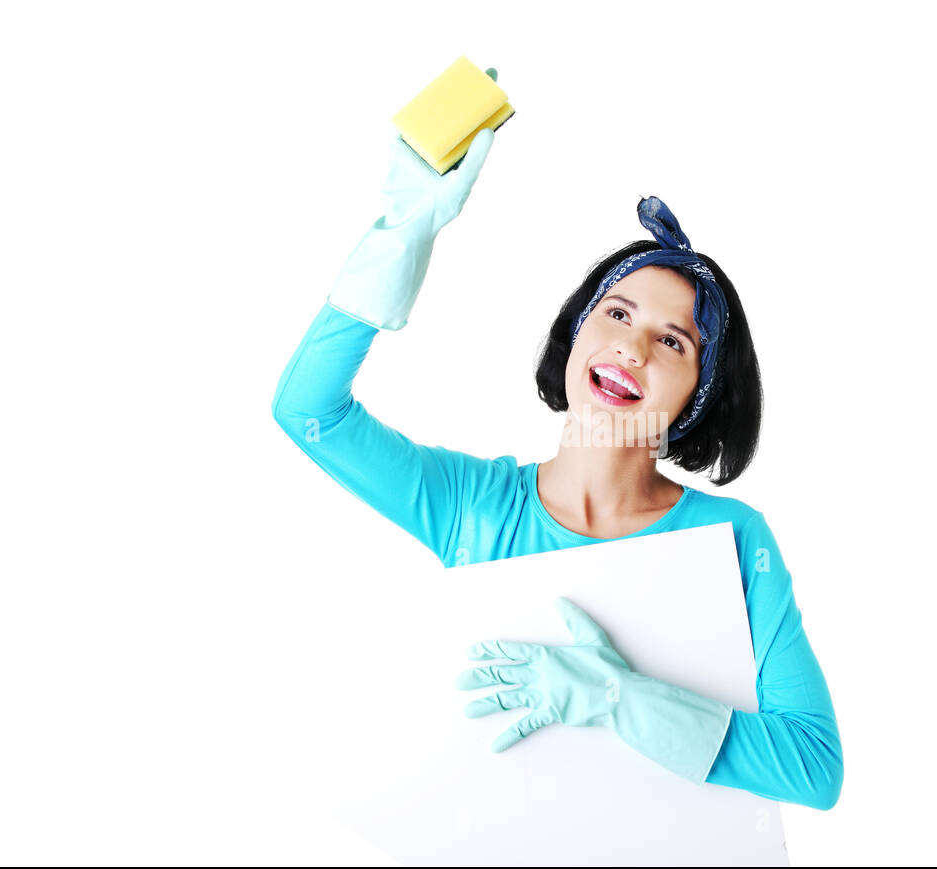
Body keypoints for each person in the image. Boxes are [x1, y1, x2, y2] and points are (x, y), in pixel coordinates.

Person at [272, 116, 844, 812]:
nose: (632, 348)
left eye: (672, 342)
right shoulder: (471, 508)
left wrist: (619, 699)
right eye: (616, 313)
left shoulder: (734, 541)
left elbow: (816, 769)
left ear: (700, 397)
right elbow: (309, 410)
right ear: (575, 333)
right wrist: (399, 235)